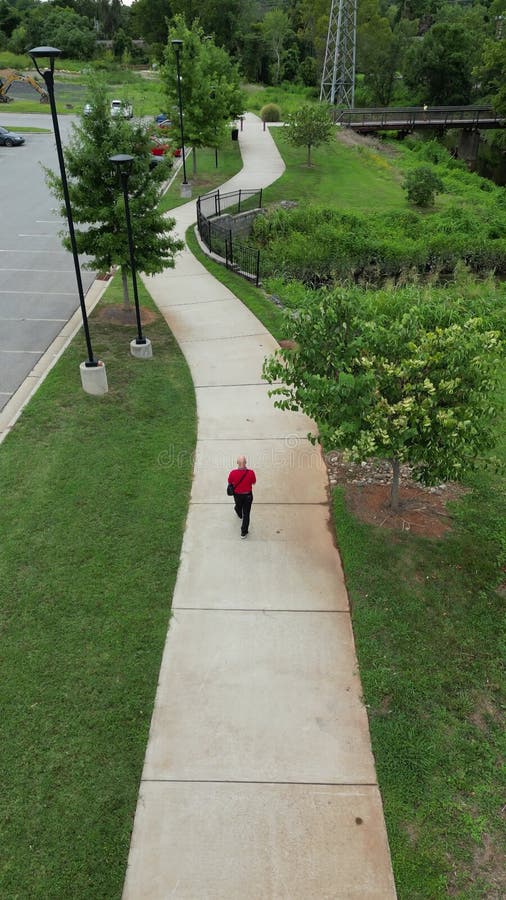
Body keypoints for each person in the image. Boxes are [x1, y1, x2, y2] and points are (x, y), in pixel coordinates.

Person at [228, 455, 256, 538]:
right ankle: (244, 532)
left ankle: (239, 512)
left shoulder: (233, 473)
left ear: (237, 463)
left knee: (238, 506)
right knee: (246, 514)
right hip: (248, 496)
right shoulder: (251, 472)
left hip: (237, 495)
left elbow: (230, 482)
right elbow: (254, 482)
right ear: (246, 463)